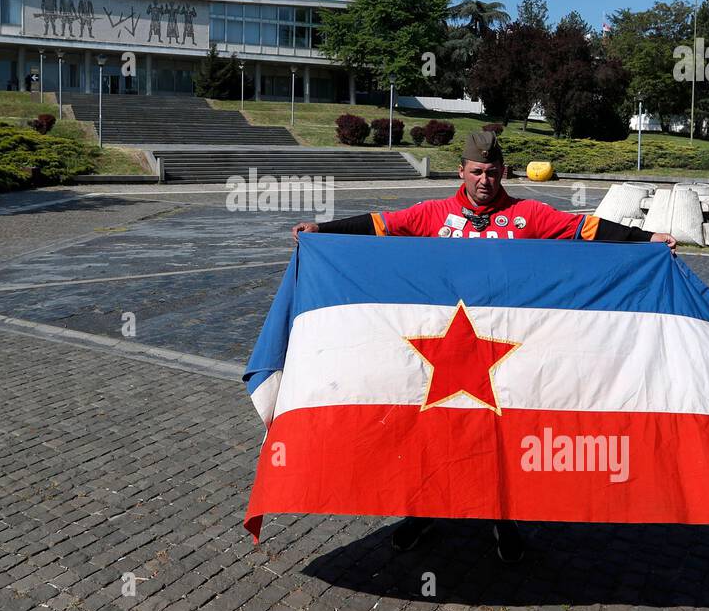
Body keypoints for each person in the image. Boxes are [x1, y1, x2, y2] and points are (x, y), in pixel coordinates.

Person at [290, 130, 677, 563]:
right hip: (440, 356)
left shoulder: (528, 215)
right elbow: (383, 225)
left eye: (492, 172)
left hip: (504, 357)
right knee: (435, 438)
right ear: (462, 171)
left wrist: (647, 241)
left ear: (503, 172)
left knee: (501, 441)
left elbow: (584, 229)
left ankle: (504, 517)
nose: (484, 180)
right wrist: (322, 231)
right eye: (476, 171)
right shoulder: (432, 214)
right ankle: (423, 511)